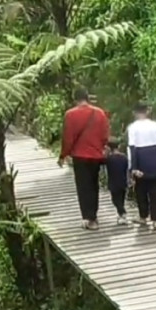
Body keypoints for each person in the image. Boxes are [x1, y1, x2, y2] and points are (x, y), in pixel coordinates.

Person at [59, 88, 109, 230]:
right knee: (94, 185)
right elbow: (105, 135)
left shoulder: (70, 114)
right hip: (95, 155)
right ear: (87, 97)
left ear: (75, 99)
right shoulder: (99, 113)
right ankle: (93, 216)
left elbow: (68, 138)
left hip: (79, 156)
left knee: (83, 187)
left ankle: (88, 218)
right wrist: (101, 147)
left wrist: (63, 155)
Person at [126, 102, 156, 230]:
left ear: (134, 113)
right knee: (155, 191)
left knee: (141, 190)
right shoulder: (155, 125)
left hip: (141, 159)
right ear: (147, 111)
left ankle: (143, 216)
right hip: (155, 158)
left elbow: (132, 148)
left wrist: (133, 168)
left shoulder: (133, 127)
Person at [104, 138, 131, 225]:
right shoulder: (124, 157)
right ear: (118, 146)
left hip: (113, 182)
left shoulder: (109, 159)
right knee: (121, 199)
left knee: (115, 200)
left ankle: (123, 213)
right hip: (123, 181)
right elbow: (127, 169)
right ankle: (121, 216)